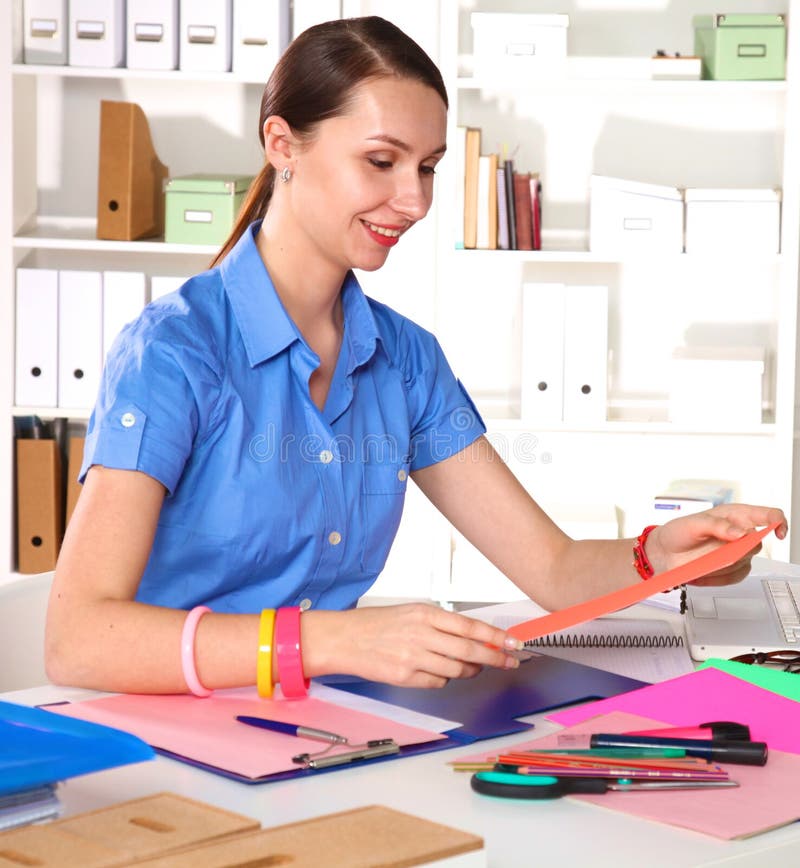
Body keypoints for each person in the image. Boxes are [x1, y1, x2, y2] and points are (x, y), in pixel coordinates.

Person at [45, 17, 786, 697]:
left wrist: (658, 555)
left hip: (316, 731)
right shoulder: (174, 352)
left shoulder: (404, 361)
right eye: (381, 161)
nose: (414, 200)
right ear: (282, 146)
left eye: (426, 168)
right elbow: (77, 642)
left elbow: (554, 569)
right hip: (162, 740)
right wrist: (329, 640)